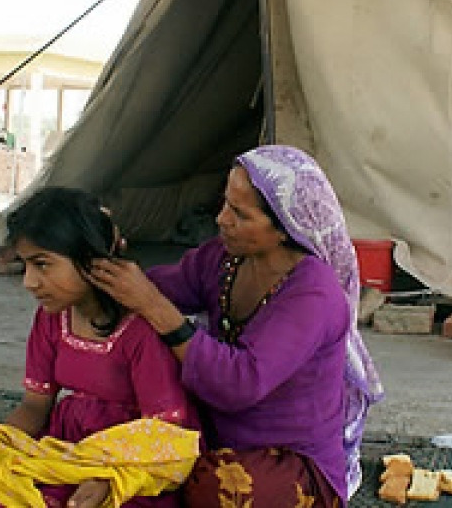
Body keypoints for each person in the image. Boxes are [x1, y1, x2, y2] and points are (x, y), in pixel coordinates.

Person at [90, 145, 384, 506]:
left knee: (213, 490)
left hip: (291, 461)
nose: (221, 219)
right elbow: (157, 287)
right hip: (214, 437)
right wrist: (107, 256)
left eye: (240, 214)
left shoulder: (313, 293)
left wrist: (154, 307)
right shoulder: (224, 259)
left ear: (284, 229)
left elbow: (240, 382)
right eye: (225, 203)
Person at [0, 187, 199, 508]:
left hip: (125, 469)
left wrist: (106, 477)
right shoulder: (51, 320)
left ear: (91, 260)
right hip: (59, 451)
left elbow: (167, 432)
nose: (28, 282)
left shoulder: (140, 331)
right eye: (25, 265)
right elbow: (33, 408)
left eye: (42, 265)